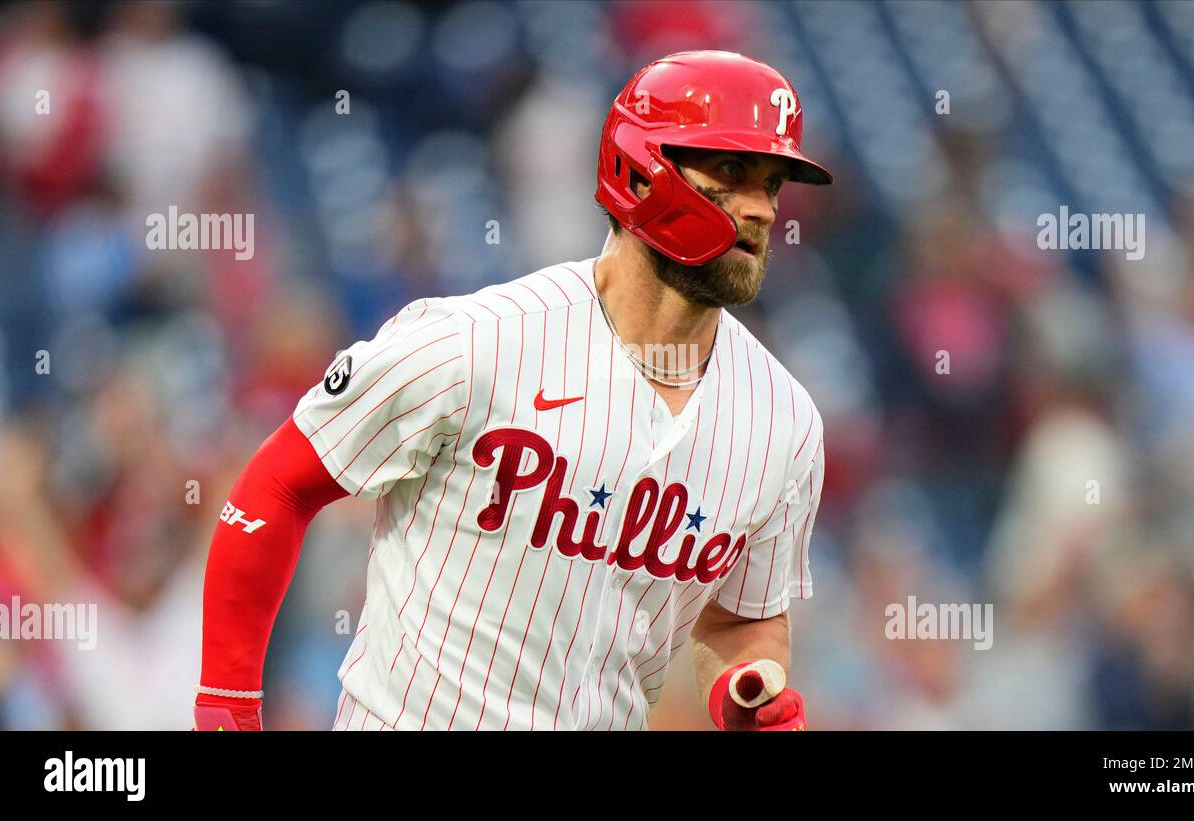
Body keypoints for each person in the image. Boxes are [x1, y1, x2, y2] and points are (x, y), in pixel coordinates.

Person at [194, 50, 830, 731]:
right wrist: (226, 703)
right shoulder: (476, 342)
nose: (762, 210)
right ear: (642, 173)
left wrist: (747, 685)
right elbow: (279, 484)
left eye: (773, 184)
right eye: (731, 173)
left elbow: (740, 619)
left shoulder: (784, 423)